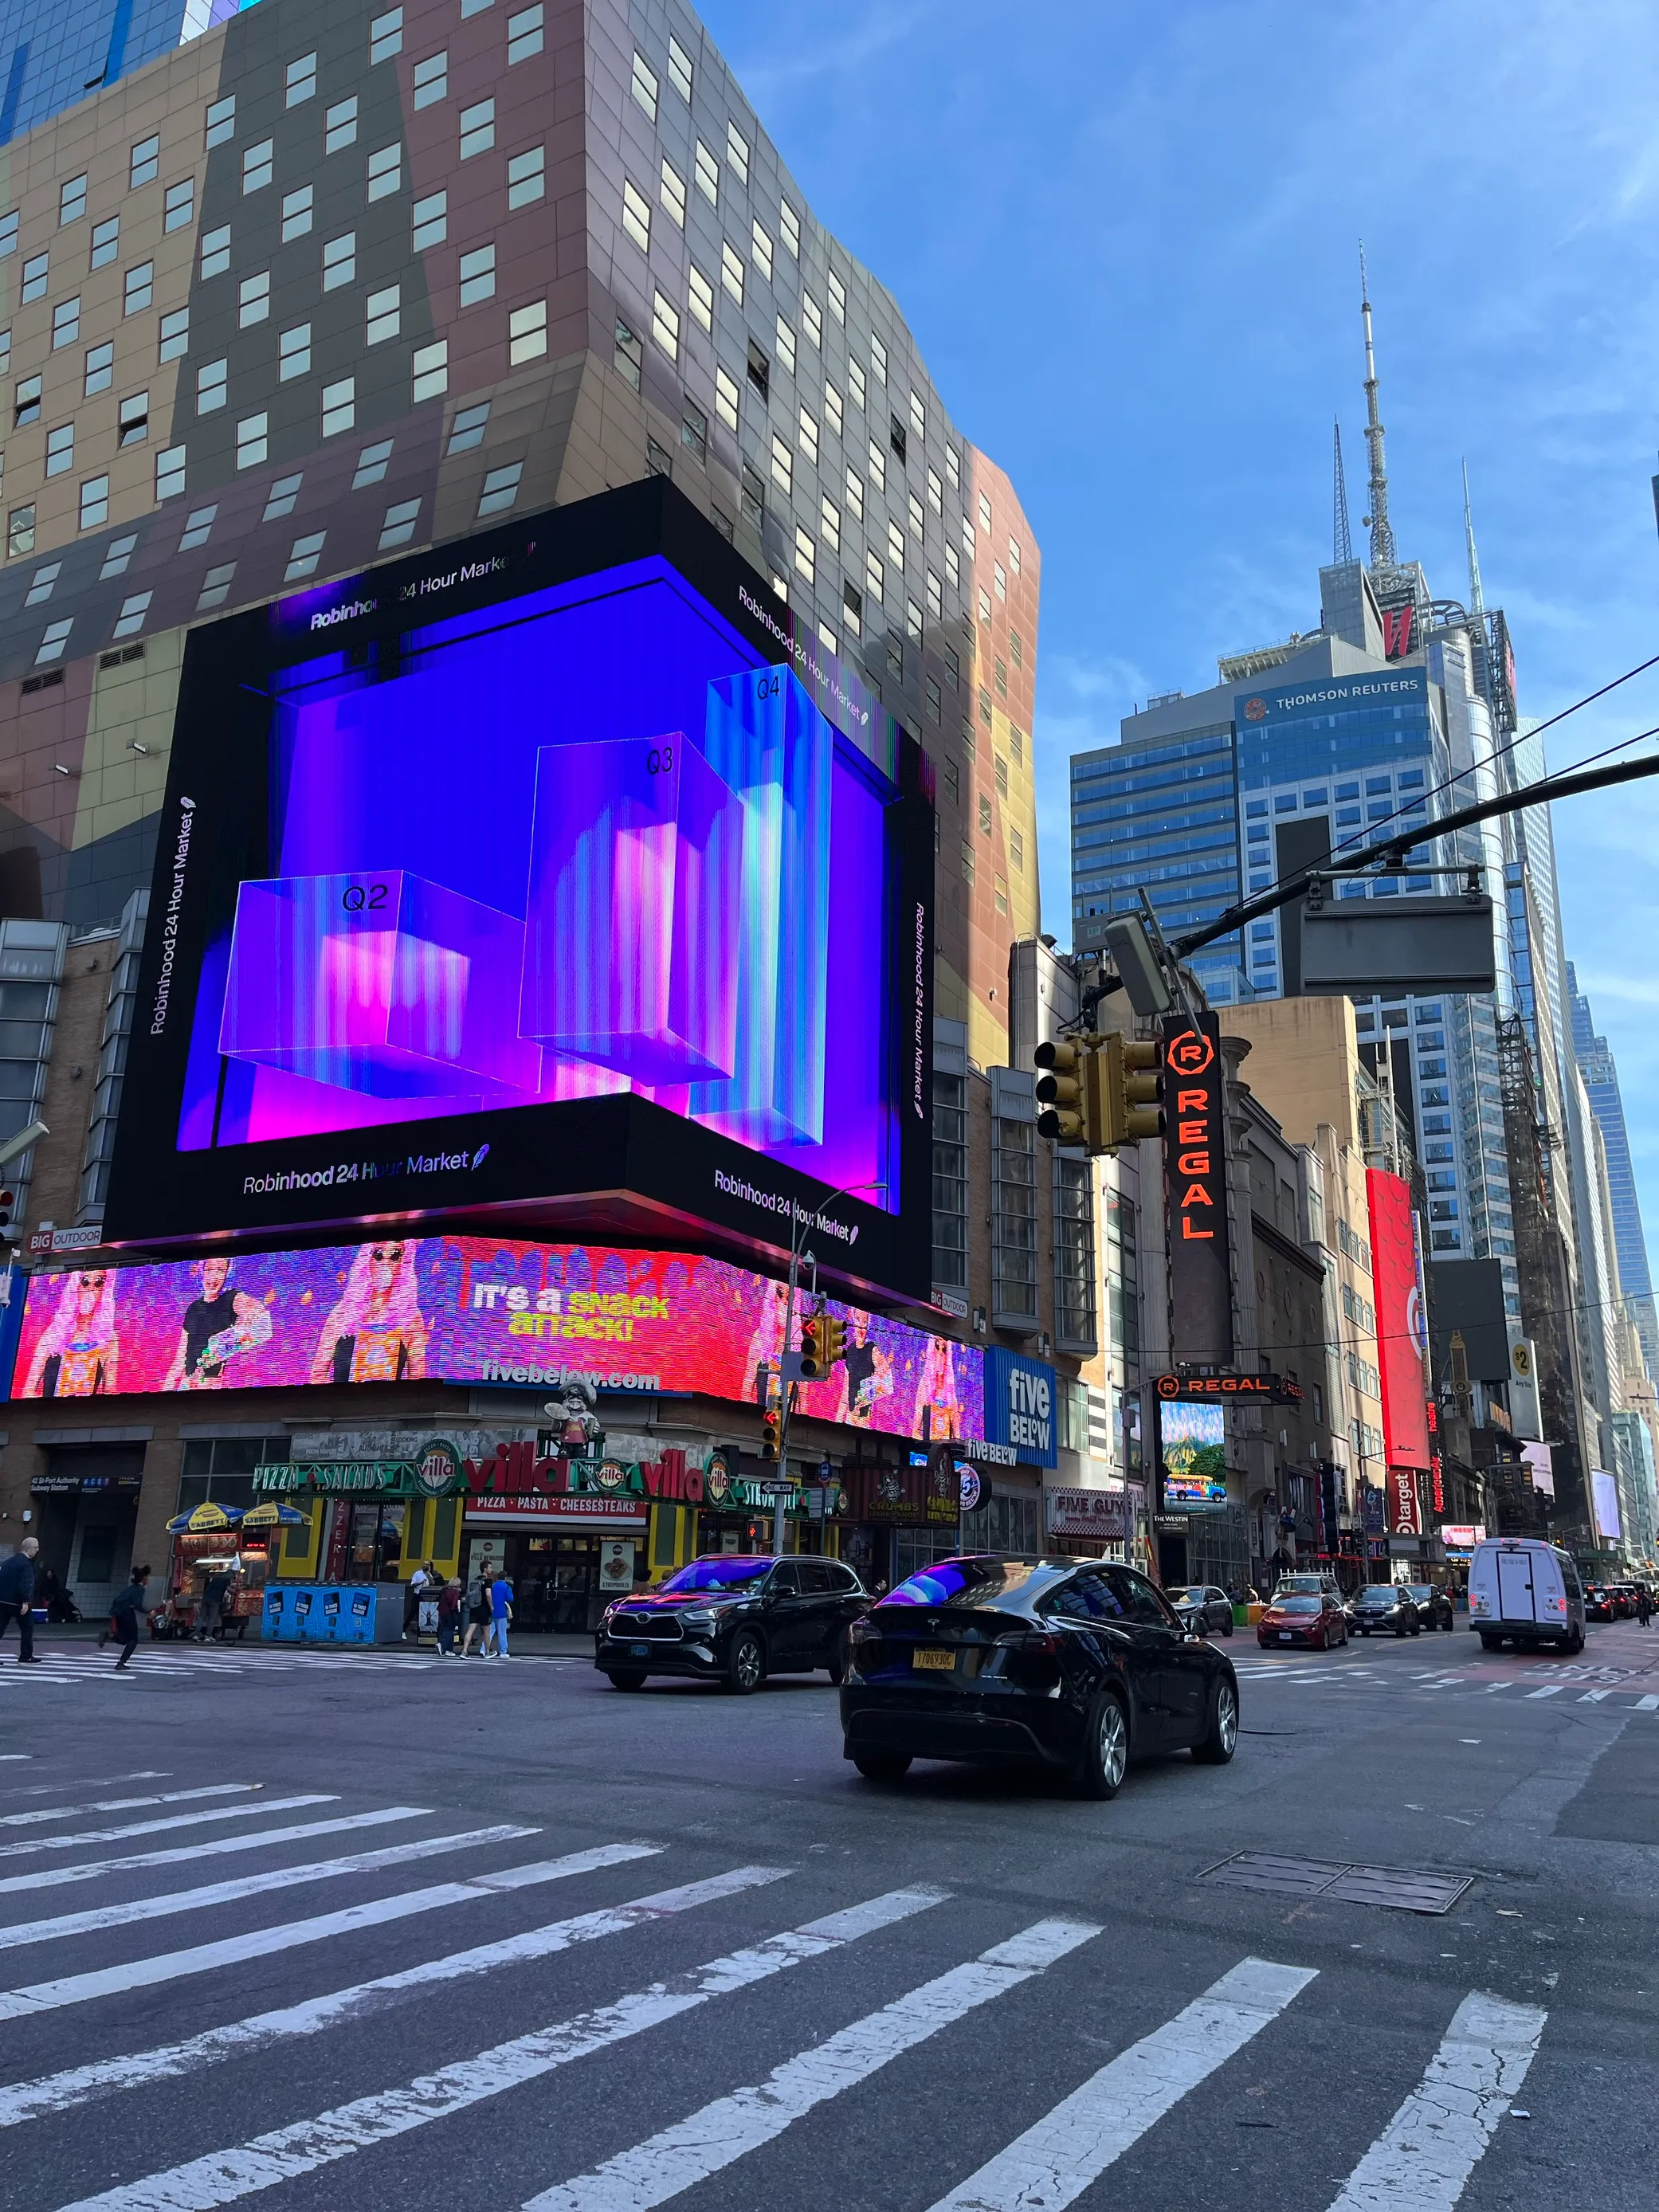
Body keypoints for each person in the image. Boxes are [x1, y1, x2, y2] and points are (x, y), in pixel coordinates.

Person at [308, 1241, 429, 1385]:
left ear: (404, 1262)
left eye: (395, 1255)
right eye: (378, 1255)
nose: (386, 1263)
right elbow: (319, 1371)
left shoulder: (412, 1317)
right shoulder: (342, 1313)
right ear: (367, 1260)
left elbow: (417, 1376)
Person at [162, 1256, 274, 1391]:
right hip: (186, 1386)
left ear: (227, 1274)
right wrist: (165, 1391)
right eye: (209, 1270)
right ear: (201, 1273)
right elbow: (180, 1357)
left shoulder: (232, 1298)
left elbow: (262, 1323)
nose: (213, 1277)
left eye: (220, 1270)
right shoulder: (194, 1308)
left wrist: (219, 1348)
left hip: (210, 1387)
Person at [21, 1269, 120, 1397]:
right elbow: (29, 1389)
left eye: (99, 1282)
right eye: (85, 1281)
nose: (90, 1289)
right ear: (75, 1285)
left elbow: (110, 1391)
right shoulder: (53, 1333)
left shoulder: (109, 1338)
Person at [0, 1538, 41, 1664]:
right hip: (18, 1603)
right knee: (27, 1628)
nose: (38, 1550)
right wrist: (25, 1601)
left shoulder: (8, 1562)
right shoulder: (26, 1565)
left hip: (2, 1601)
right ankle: (26, 1655)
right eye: (36, 1548)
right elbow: (26, 1584)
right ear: (30, 1549)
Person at [109, 1565, 151, 1670]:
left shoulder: (130, 1588)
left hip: (117, 1612)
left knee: (125, 1638)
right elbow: (137, 1604)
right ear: (143, 1578)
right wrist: (148, 1612)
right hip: (127, 1614)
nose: (148, 1579)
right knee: (133, 1640)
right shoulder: (139, 1589)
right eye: (147, 1577)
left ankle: (111, 1636)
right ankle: (121, 1662)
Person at [461, 1567, 491, 1657]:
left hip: (474, 1607)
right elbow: (488, 1594)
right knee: (486, 1630)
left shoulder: (475, 1580)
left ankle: (464, 1651)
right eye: (490, 1567)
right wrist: (492, 1606)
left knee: (470, 1630)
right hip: (483, 1608)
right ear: (485, 1569)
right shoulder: (488, 1580)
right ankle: (487, 1652)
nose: (491, 1569)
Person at [197, 1566, 232, 1641]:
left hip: (206, 1597)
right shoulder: (227, 1579)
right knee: (212, 1618)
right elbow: (229, 1589)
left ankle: (197, 1635)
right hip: (215, 1599)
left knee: (202, 1617)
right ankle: (208, 1635)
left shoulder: (216, 1577)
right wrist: (234, 1592)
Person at [488, 1567, 515, 1659]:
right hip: (502, 1612)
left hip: (492, 1611)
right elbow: (510, 1598)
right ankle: (503, 1652)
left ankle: (484, 1650)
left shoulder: (493, 1585)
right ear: (505, 1578)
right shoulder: (506, 1586)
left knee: (490, 1632)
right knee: (502, 1633)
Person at [436, 1578, 462, 1656]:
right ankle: (442, 1644)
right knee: (450, 1630)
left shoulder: (445, 1591)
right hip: (450, 1613)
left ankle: (449, 1650)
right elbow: (454, 1604)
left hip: (442, 1612)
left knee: (445, 1629)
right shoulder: (455, 1592)